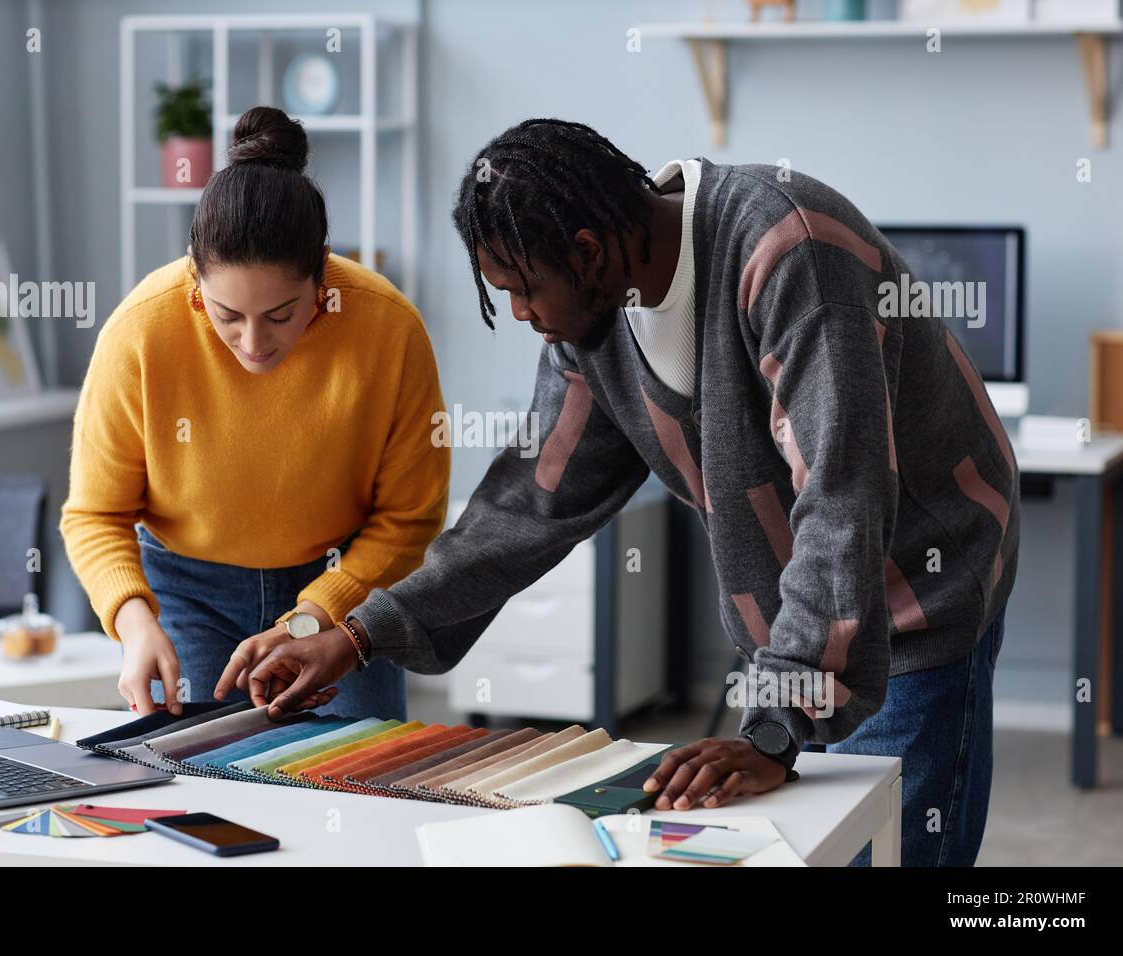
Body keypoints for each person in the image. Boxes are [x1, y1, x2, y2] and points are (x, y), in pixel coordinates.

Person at [238, 118, 1019, 866]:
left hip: (917, 583)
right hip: (801, 620)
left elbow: (841, 500)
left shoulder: (787, 253)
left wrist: (776, 727)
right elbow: (527, 505)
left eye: (521, 290)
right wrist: (358, 634)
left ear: (585, 250)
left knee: (890, 850)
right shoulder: (593, 316)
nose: (517, 314)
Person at [61, 106, 450, 723]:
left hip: (340, 583)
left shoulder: (387, 327)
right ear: (195, 275)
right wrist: (135, 625)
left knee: (359, 781)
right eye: (225, 316)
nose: (252, 343)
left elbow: (410, 518)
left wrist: (315, 614)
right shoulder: (140, 331)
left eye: (280, 315)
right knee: (200, 786)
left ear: (322, 275)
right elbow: (95, 514)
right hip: (185, 592)